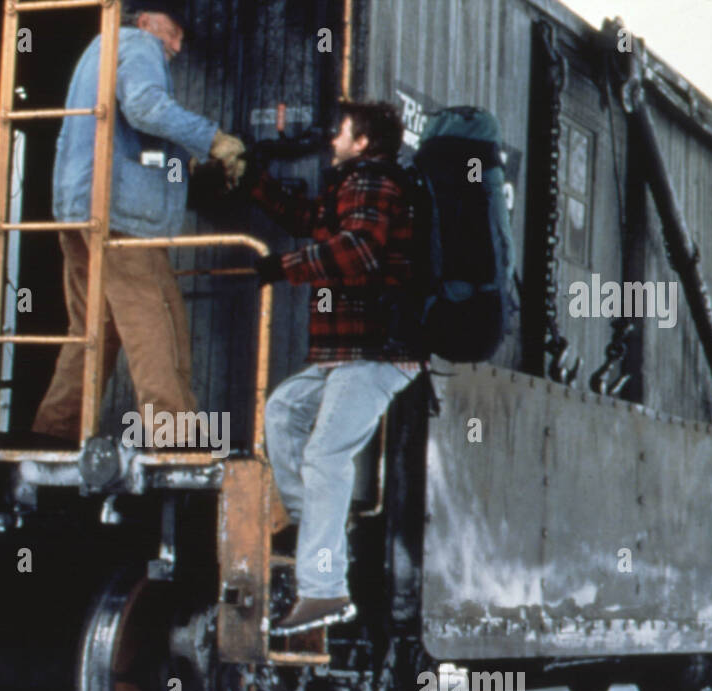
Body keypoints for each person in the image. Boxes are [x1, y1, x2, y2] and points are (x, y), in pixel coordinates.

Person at [31, 1, 248, 445]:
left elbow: (142, 144)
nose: (177, 44)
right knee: (157, 317)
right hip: (120, 216)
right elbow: (146, 108)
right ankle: (173, 432)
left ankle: (53, 432)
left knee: (93, 329)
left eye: (181, 38)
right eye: (173, 32)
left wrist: (187, 170)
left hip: (80, 208)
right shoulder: (138, 43)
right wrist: (214, 139)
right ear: (146, 20)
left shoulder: (101, 50)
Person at [250, 100, 421, 635]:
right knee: (281, 413)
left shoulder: (374, 181)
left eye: (340, 131)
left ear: (363, 141)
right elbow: (311, 221)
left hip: (377, 352)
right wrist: (253, 182)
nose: (331, 139)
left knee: (325, 456)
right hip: (344, 355)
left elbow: (359, 252)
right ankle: (315, 533)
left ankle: (325, 592)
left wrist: (283, 267)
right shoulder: (350, 184)